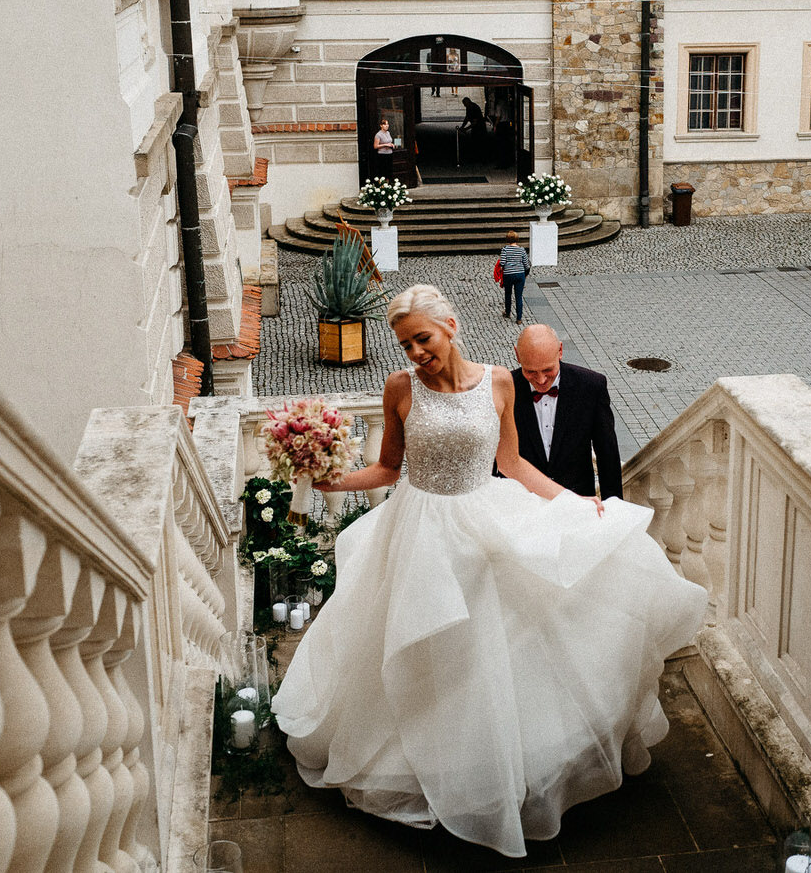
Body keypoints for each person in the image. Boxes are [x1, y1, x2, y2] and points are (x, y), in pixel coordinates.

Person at [273, 286, 706, 857]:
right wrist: (331, 479)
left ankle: (491, 767)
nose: (415, 353)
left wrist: (573, 503)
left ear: (451, 325)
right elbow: (387, 467)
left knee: (490, 645)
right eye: (405, 344)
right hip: (418, 531)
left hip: (484, 523)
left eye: (422, 338)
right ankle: (425, 763)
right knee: (423, 643)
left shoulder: (501, 381)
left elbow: (512, 462)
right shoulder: (400, 388)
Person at [512, 324, 624, 499]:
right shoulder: (504, 389)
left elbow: (607, 456)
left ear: (560, 351)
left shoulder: (592, 387)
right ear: (517, 355)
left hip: (578, 503)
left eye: (548, 370)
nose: (541, 380)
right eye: (531, 371)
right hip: (523, 504)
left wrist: (614, 510)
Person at [499, 230, 529, 323]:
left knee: (508, 293)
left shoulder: (505, 249)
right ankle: (519, 318)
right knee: (518, 296)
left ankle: (508, 312)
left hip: (508, 274)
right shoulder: (522, 250)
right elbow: (526, 264)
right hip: (520, 275)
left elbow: (502, 263)